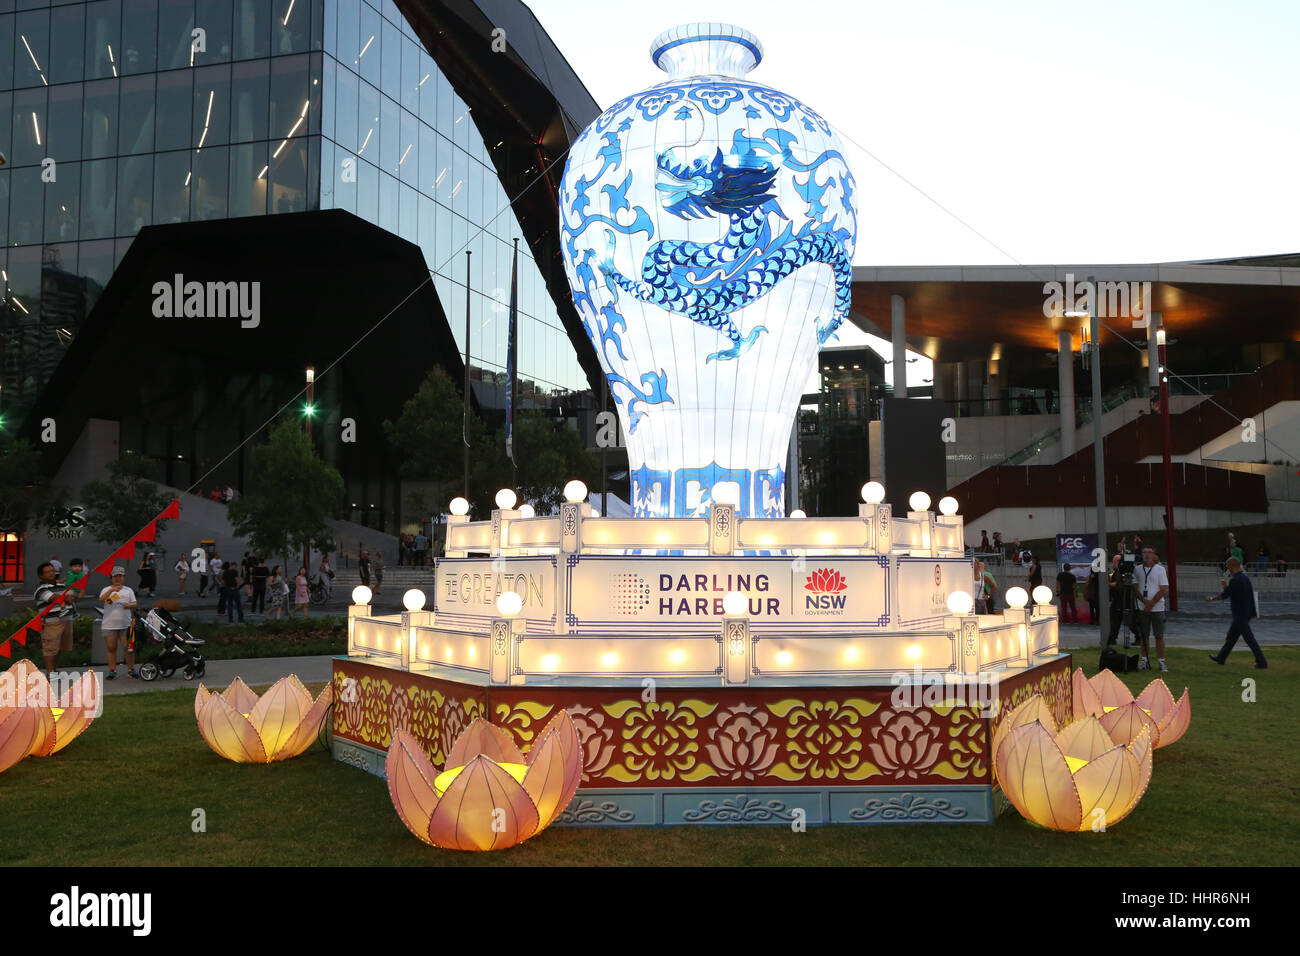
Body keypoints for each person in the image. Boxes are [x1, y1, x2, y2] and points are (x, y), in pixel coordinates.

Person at [1206, 556, 1267, 669]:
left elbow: (1226, 595)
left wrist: (1211, 598)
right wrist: (1226, 587)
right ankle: (1221, 658)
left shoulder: (1235, 580)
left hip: (1240, 614)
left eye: (1228, 567)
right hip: (1246, 612)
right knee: (1231, 637)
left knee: (1249, 639)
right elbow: (1236, 593)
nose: (1227, 569)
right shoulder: (1244, 578)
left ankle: (1262, 662)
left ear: (1231, 566)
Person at [33, 562, 75, 676]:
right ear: (41, 575)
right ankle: (50, 673)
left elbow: (71, 597)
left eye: (52, 571)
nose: (51, 573)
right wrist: (66, 597)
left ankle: (54, 670)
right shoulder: (41, 589)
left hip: (67, 620)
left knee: (60, 647)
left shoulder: (63, 585)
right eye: (48, 572)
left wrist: (67, 597)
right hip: (52, 623)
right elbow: (54, 598)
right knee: (50, 648)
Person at [1133, 546, 1170, 672]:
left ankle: (1161, 661)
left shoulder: (1160, 570)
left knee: (1159, 635)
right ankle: (1144, 660)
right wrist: (1144, 602)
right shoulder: (1137, 569)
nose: (1146, 555)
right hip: (1142, 606)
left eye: (1149, 552)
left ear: (1154, 555)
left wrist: (1152, 603)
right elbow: (1134, 587)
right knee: (1144, 635)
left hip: (1157, 608)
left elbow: (1163, 588)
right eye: (1144, 552)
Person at [99, 566, 138, 679]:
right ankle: (112, 670)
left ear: (124, 577)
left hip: (126, 624)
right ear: (111, 577)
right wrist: (112, 590)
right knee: (111, 647)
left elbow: (135, 603)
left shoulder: (128, 590)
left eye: (120, 576)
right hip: (109, 624)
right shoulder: (106, 589)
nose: (118, 578)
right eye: (115, 576)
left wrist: (129, 605)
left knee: (128, 648)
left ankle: (131, 670)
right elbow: (102, 600)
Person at [220, 560, 245, 624]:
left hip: (228, 589)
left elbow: (222, 581)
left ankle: (230, 619)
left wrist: (227, 585)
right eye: (235, 566)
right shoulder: (235, 571)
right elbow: (237, 580)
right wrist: (236, 585)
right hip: (234, 589)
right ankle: (240, 618)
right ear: (233, 566)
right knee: (238, 604)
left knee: (229, 604)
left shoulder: (225, 572)